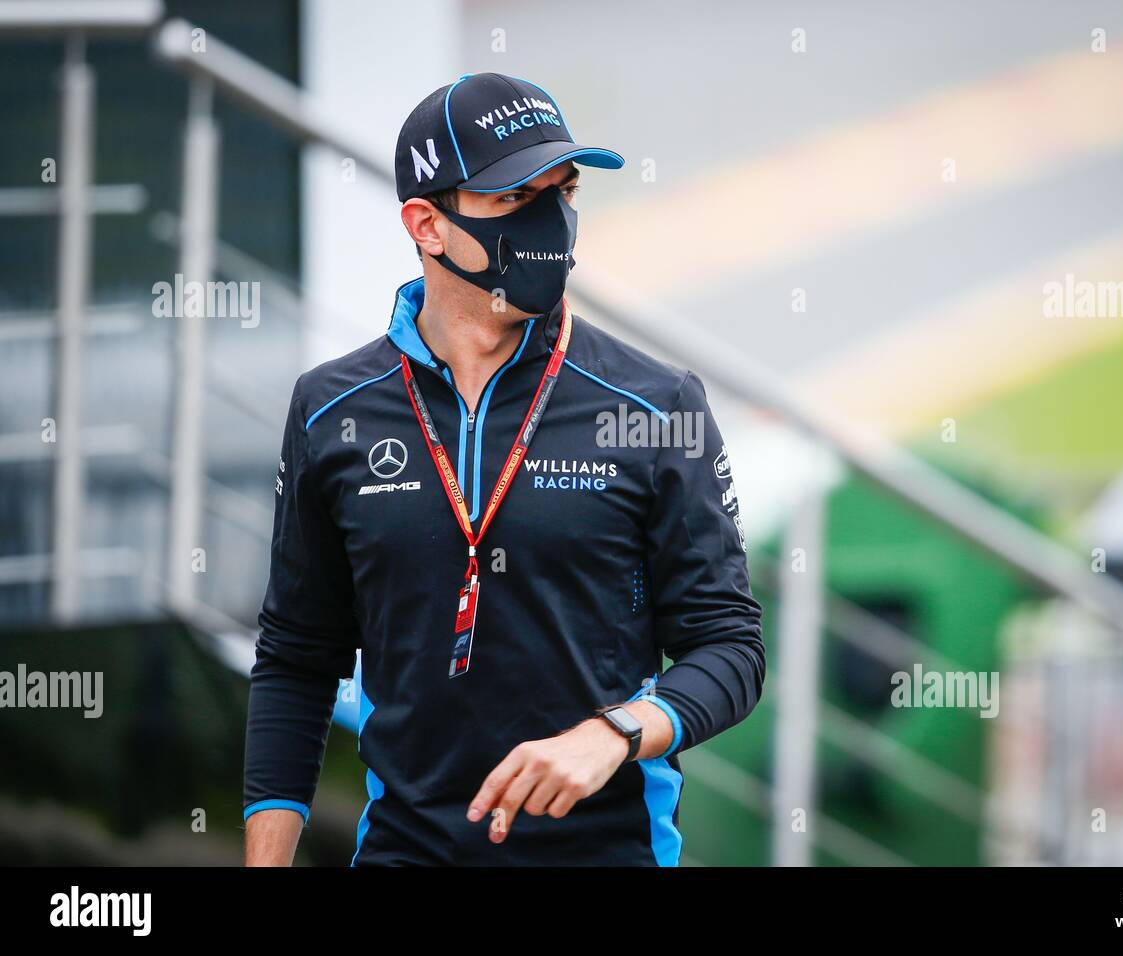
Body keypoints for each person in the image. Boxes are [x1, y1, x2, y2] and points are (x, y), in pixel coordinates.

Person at [242, 72, 764, 866]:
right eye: (516, 198)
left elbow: (729, 650)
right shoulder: (329, 410)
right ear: (427, 224)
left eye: (565, 190)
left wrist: (616, 734)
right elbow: (296, 658)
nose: (552, 222)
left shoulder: (658, 405)